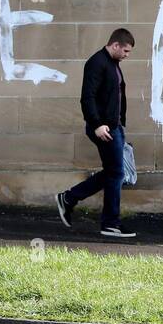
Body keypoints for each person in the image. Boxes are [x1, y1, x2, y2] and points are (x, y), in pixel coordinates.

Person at [55, 28, 136, 238]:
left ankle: (69, 198)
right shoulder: (97, 63)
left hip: (114, 127)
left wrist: (121, 124)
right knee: (116, 173)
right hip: (104, 129)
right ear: (115, 45)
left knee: (113, 172)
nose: (127, 55)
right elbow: (87, 97)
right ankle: (110, 223)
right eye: (125, 51)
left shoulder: (113, 64)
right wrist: (97, 125)